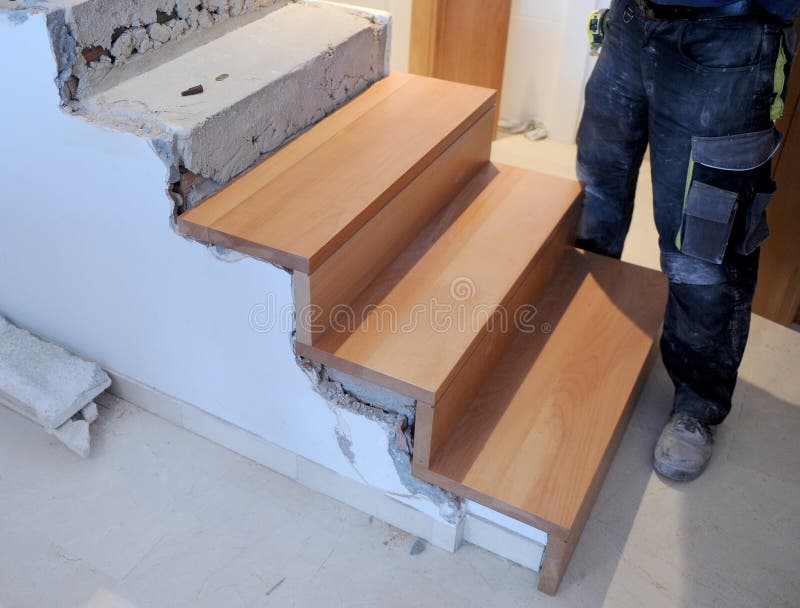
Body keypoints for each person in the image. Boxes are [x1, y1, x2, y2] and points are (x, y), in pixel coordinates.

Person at [576, 0, 797, 481]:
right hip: (631, 20)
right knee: (597, 187)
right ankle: (580, 329)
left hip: (728, 37)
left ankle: (698, 402)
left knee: (704, 241)